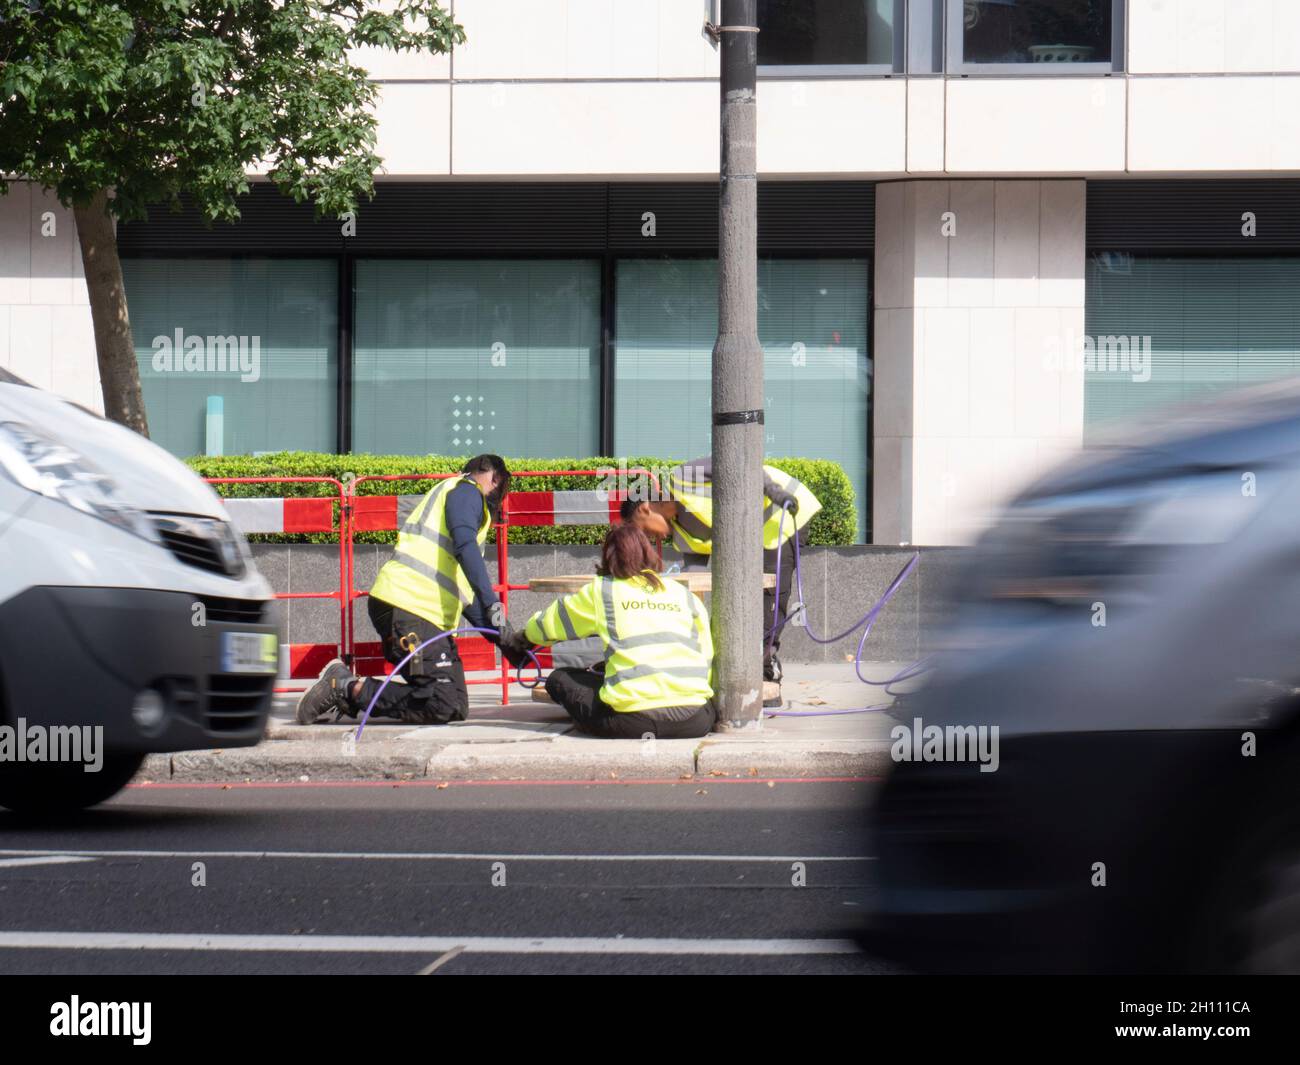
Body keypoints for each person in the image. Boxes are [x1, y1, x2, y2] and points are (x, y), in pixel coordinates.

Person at [296, 454, 529, 725]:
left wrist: (504, 639)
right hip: (409, 611)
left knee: (453, 704)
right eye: (502, 486)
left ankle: (350, 692)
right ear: (494, 477)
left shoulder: (452, 496)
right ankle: (344, 687)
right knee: (442, 701)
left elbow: (465, 594)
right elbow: (465, 546)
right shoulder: (466, 490)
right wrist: (493, 604)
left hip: (411, 614)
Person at [619, 455, 820, 705]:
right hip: (752, 534)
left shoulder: (684, 477)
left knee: (768, 600)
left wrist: (776, 492)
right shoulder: (681, 533)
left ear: (645, 508)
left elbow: (741, 462)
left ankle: (767, 678)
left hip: (783, 515)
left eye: (645, 530)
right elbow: (694, 583)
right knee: (730, 606)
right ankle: (740, 677)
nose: (650, 537)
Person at [500, 524, 716, 739]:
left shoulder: (604, 590)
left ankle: (587, 723)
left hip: (632, 721)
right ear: (648, 552)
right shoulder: (683, 594)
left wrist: (524, 638)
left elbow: (552, 624)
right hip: (695, 720)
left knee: (559, 679)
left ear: (608, 556)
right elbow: (706, 654)